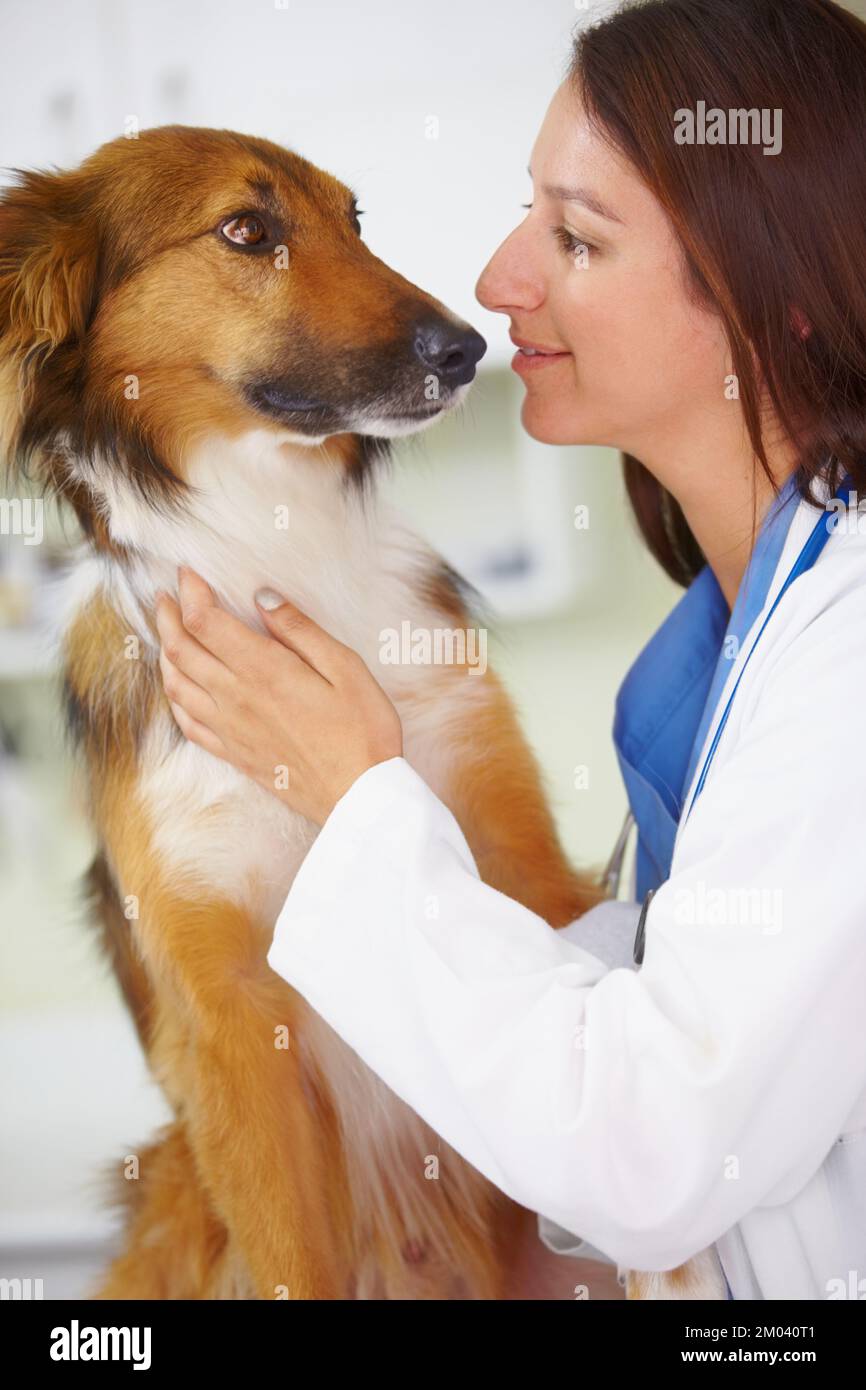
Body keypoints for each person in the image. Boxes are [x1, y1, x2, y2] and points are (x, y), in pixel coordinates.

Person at [154, 0, 866, 1300]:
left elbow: (650, 1145)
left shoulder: (847, 660)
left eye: (575, 237)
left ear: (785, 295)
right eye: (524, 210)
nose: (492, 280)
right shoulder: (734, 641)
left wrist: (358, 797)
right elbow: (673, 1029)